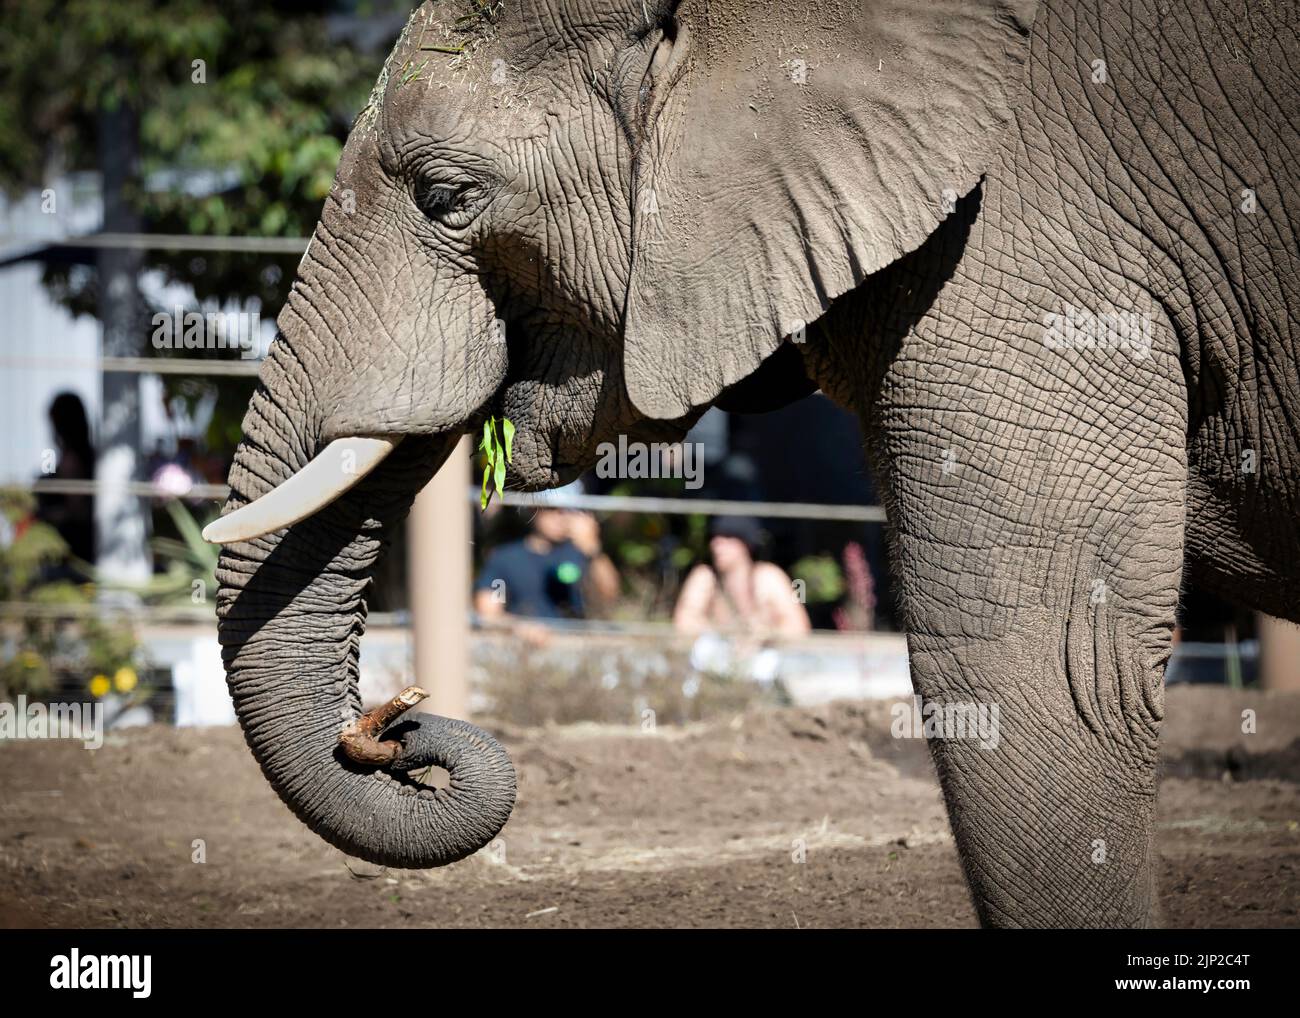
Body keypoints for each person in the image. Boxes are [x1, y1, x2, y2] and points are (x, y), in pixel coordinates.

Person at [473, 497, 620, 635]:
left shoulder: (583, 555)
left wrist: (592, 549)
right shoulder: (505, 558)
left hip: (575, 647)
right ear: (533, 509)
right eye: (552, 508)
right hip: (522, 651)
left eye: (569, 509)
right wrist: (519, 628)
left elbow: (609, 595)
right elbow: (488, 614)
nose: (561, 516)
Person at [673, 515, 811, 638]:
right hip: (717, 658)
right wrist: (719, 635)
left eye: (728, 537)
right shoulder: (705, 576)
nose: (716, 545)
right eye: (715, 537)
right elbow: (684, 622)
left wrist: (765, 635)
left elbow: (798, 627)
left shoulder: (768, 577)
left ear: (746, 544)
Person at [35, 392, 96, 568]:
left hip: (75, 556)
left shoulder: (73, 461)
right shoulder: (62, 458)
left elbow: (78, 511)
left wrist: (53, 513)